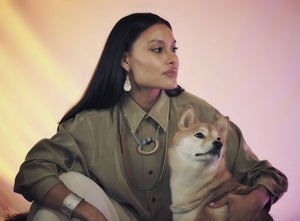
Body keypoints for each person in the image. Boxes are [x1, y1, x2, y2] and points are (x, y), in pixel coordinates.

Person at [14, 13, 287, 221]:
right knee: (56, 201)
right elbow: (34, 170)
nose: (173, 60)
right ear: (125, 61)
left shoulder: (199, 114)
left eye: (174, 49)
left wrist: (256, 198)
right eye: (158, 50)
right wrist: (84, 210)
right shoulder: (91, 124)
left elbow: (265, 174)